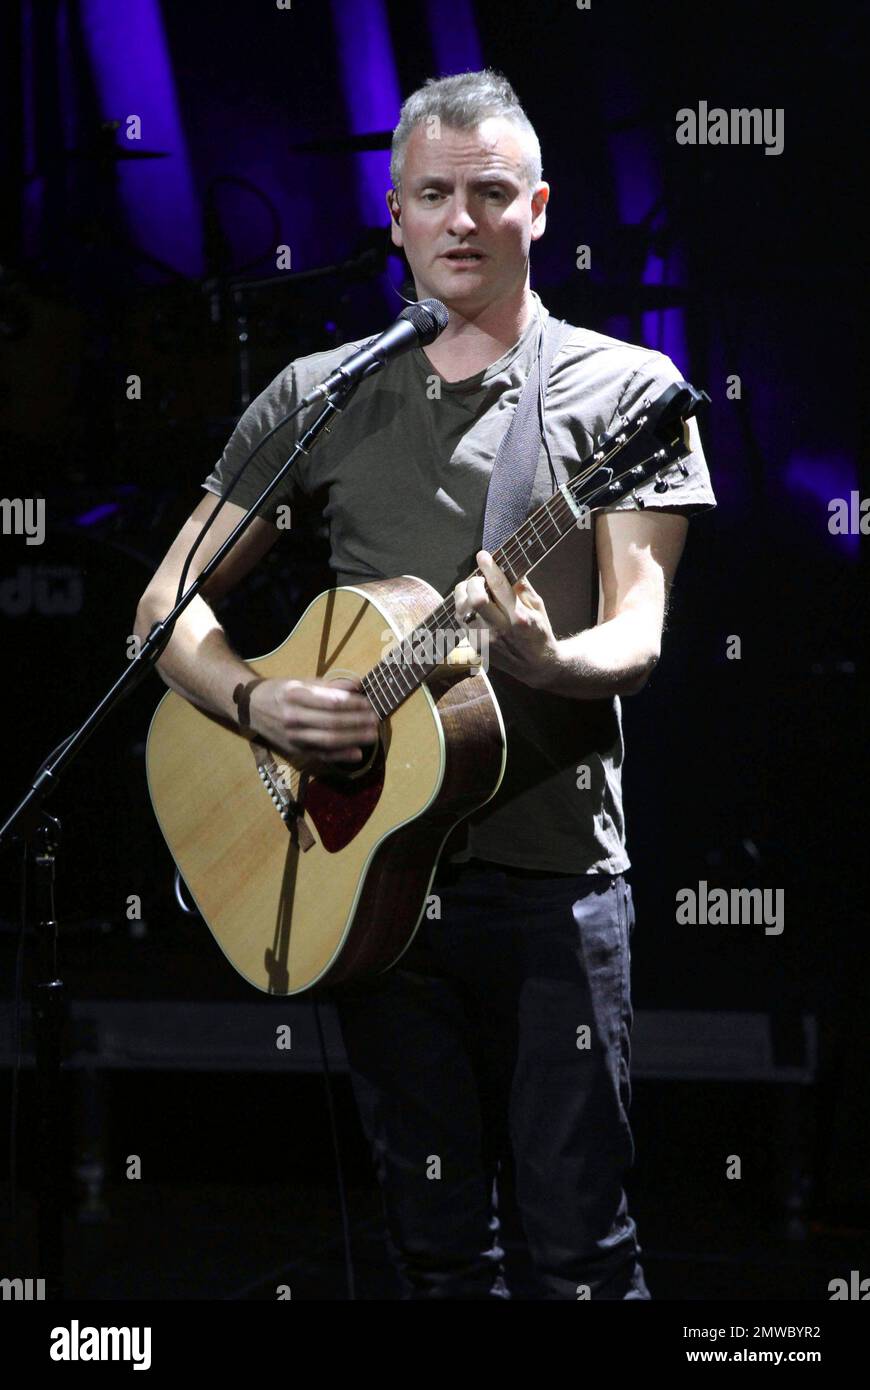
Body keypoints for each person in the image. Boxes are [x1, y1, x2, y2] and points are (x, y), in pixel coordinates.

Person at [134, 69, 716, 1300]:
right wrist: (254, 701)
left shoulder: (626, 393)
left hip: (553, 876)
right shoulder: (320, 393)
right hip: (371, 881)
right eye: (435, 195)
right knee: (435, 1248)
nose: (463, 219)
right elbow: (164, 605)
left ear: (540, 209)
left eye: (491, 194)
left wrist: (550, 658)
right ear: (393, 212)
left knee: (578, 1253)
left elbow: (641, 634)